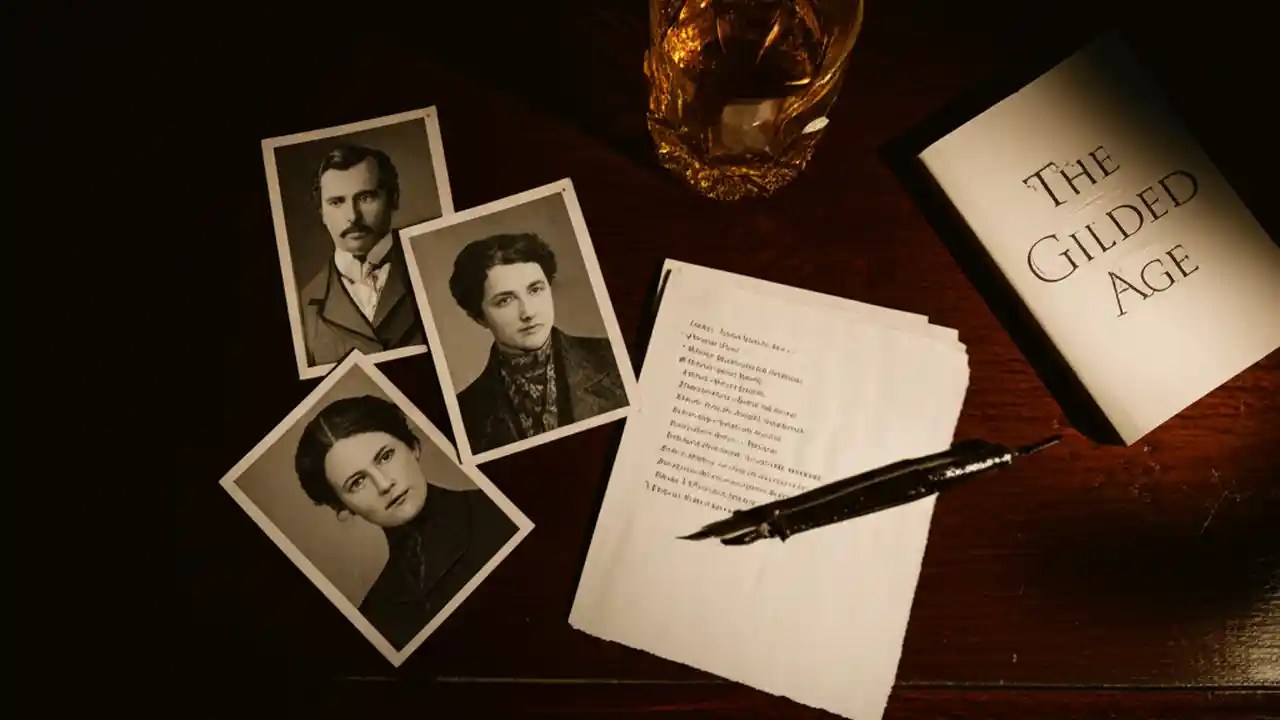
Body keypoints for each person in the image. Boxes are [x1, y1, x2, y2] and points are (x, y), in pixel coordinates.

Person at [295, 395, 517, 649]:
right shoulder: (376, 618)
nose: (384, 483)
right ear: (343, 508)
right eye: (357, 482)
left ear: (413, 446)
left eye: (385, 456)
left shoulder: (504, 511)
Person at [448, 232, 628, 454]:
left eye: (535, 290)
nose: (528, 312)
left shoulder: (614, 358)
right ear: (479, 317)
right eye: (505, 301)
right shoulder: (464, 413)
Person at [298, 145, 425, 366]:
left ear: (393, 199)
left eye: (366, 198)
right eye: (336, 202)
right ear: (321, 213)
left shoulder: (434, 264)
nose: (352, 217)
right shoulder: (302, 307)